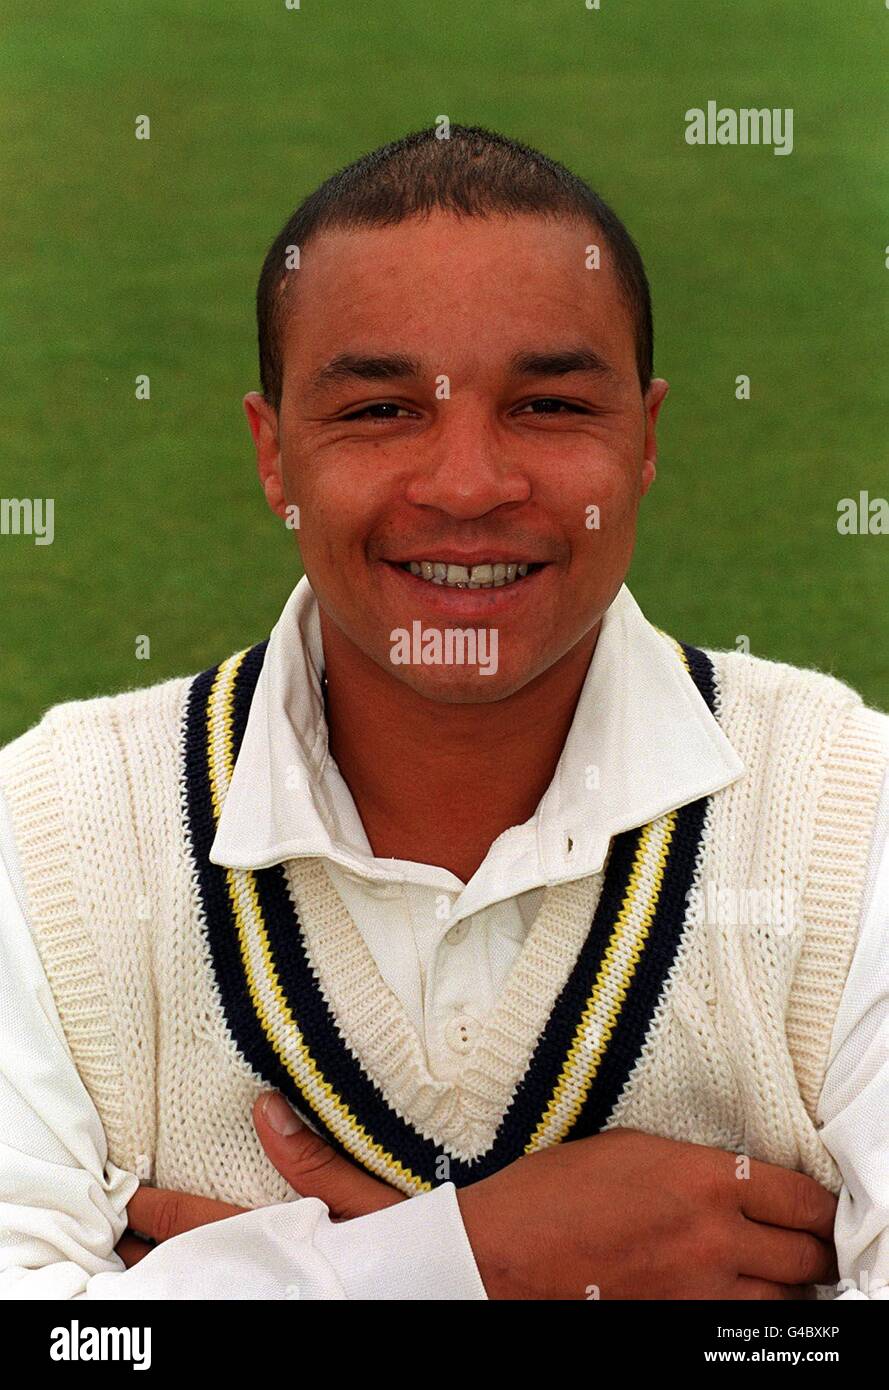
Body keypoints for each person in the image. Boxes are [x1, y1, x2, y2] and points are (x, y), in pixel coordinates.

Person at [1, 125, 886, 1300]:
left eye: (551, 403)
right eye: (379, 413)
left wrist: (289, 1280)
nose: (468, 484)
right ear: (274, 455)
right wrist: (482, 1258)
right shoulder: (50, 830)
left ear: (647, 436)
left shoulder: (851, 813)